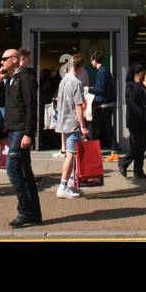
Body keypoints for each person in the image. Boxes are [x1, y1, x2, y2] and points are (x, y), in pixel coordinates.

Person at [2, 47, 42, 228]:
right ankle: (34, 212)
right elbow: (6, 103)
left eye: (5, 59)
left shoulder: (25, 79)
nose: (2, 62)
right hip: (13, 130)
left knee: (13, 170)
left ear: (15, 60)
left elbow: (31, 107)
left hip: (20, 131)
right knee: (25, 172)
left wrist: (28, 133)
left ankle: (25, 211)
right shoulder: (11, 79)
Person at [54, 53, 88, 198]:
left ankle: (68, 184)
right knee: (70, 155)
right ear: (81, 67)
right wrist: (83, 126)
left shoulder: (64, 81)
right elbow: (79, 106)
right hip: (73, 122)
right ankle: (63, 186)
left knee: (70, 153)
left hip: (63, 121)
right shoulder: (77, 83)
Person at [119, 63, 146, 179]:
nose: (144, 76)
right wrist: (138, 84)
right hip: (134, 120)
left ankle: (138, 170)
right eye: (142, 74)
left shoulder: (142, 85)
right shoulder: (131, 85)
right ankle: (124, 162)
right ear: (137, 74)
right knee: (137, 145)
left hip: (143, 119)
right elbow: (132, 98)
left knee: (141, 146)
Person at [88, 50, 116, 160]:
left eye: (91, 60)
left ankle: (93, 151)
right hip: (107, 103)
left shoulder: (101, 72)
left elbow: (101, 88)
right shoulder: (104, 71)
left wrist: (91, 89)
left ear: (94, 60)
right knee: (107, 127)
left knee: (92, 125)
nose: (91, 62)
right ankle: (114, 150)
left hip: (103, 104)